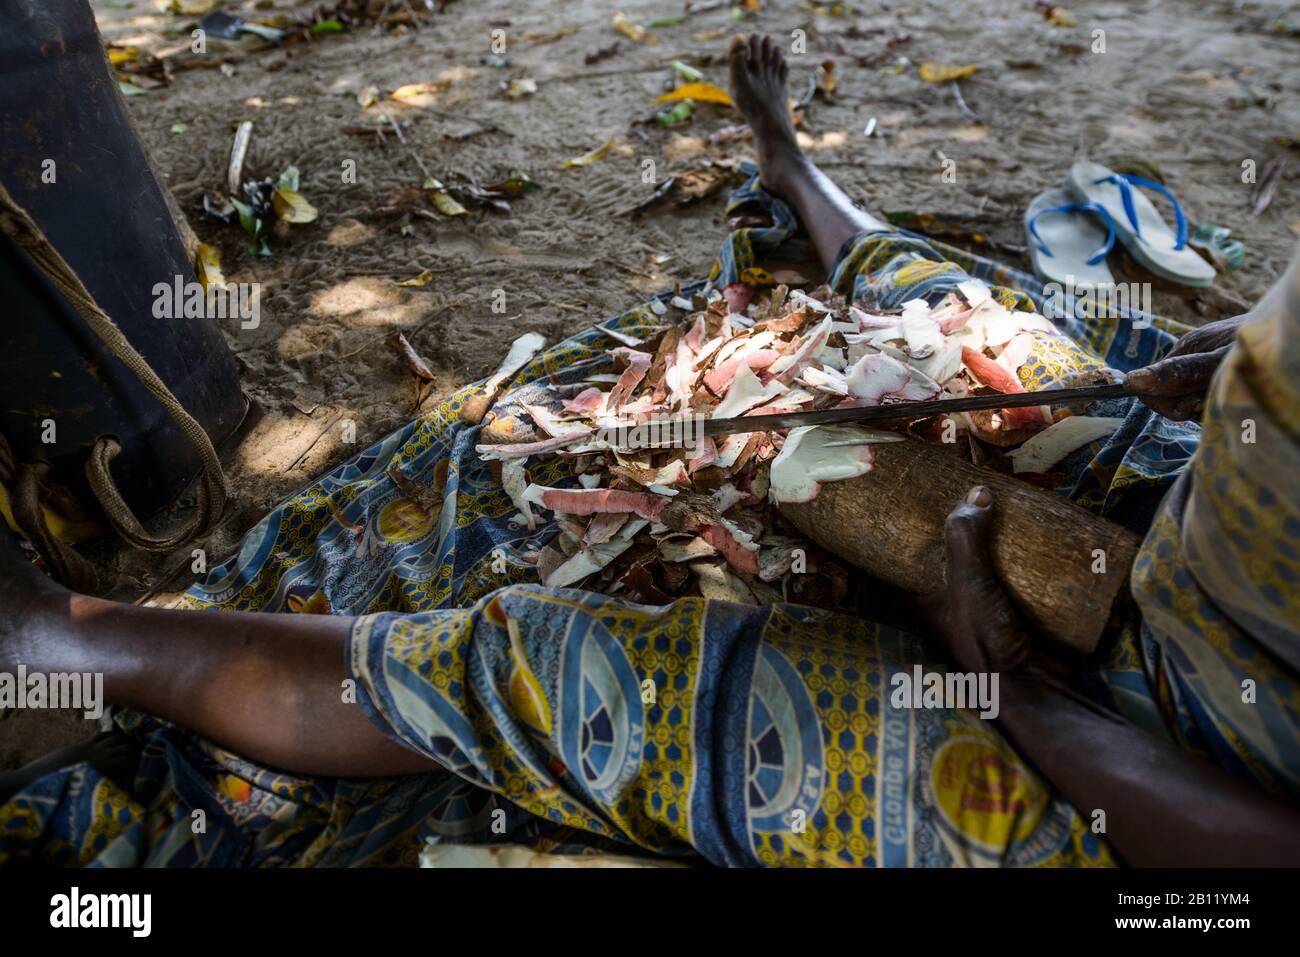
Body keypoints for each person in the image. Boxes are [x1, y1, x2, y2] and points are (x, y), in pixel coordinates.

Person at [1, 36, 1297, 868]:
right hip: (1187, 501)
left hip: (1171, 784)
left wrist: (1020, 694)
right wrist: (1242, 354)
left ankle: (74, 642)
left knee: (581, 679)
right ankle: (811, 191)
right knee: (980, 325)